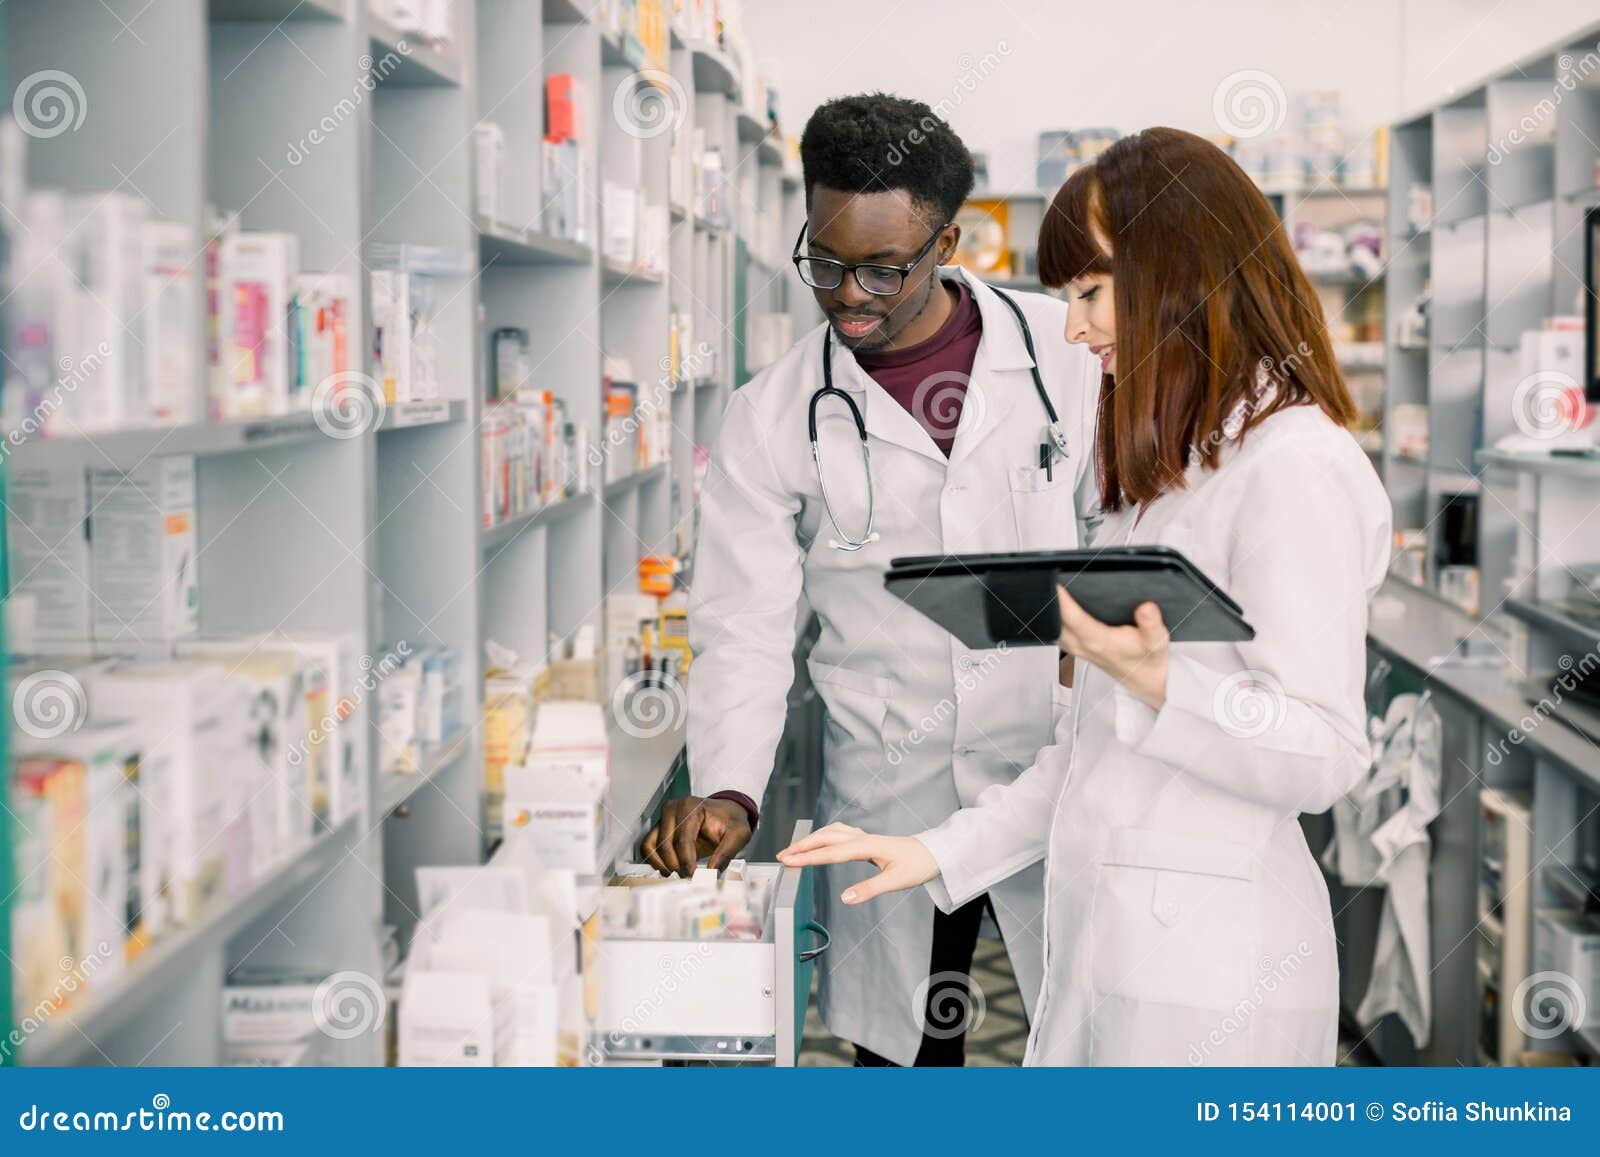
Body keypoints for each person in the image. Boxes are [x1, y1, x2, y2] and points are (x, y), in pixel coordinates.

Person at [779, 126, 1393, 1066]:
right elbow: (1085, 758)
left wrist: (1161, 685)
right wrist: (936, 852)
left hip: (1215, 980)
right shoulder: (1171, 474)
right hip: (1112, 953)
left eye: (1091, 294)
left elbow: (1325, 754)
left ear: (1183, 278)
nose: (1072, 328)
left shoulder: (1295, 466)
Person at [640, 94, 1102, 1067]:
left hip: (1059, 767)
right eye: (826, 260)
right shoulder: (773, 415)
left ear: (949, 241)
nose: (850, 294)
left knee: (1079, 1038)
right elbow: (745, 624)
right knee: (906, 1060)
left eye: (884, 269)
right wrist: (728, 786)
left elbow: (1136, 534)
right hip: (899, 778)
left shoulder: (1067, 355)